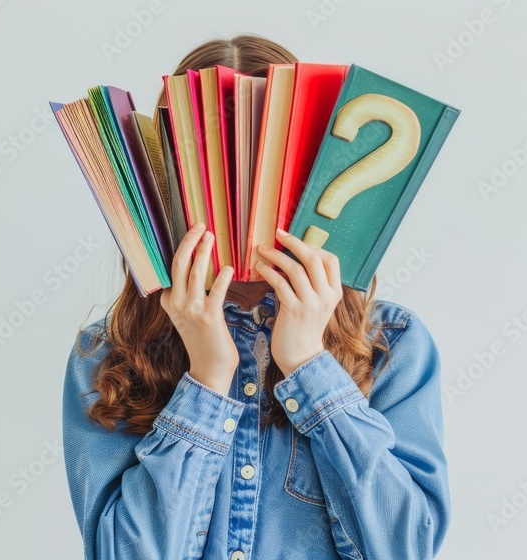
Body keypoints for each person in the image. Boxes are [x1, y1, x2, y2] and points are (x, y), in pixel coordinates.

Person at [62, 34, 450, 560]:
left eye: (265, 167)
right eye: (215, 168)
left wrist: (310, 364)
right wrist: (207, 378)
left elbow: (406, 549)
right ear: (170, 182)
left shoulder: (392, 344)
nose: (241, 199)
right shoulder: (108, 355)